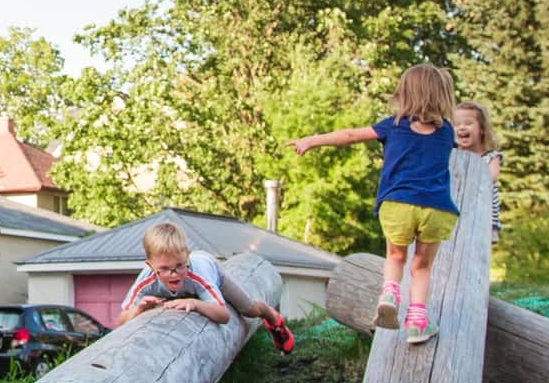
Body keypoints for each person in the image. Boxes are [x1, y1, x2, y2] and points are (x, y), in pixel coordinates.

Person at [291, 63, 459, 344]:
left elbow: (350, 136)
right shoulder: (447, 133)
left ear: (405, 93)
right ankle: (418, 322)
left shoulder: (393, 125)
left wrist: (312, 140)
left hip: (398, 204)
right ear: (442, 95)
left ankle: (390, 293)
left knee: (395, 257)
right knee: (422, 267)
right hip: (436, 207)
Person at [115, 221, 295, 354]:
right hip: (184, 287)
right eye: (164, 269)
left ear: (187, 256)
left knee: (249, 309)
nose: (174, 274)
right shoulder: (146, 279)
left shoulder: (198, 273)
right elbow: (121, 320)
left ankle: (272, 317)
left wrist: (196, 303)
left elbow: (223, 315)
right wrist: (138, 309)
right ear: (150, 265)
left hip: (212, 270)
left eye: (180, 265)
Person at [453, 100, 503, 242]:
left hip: (483, 217)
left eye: (468, 123)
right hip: (460, 215)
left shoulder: (491, 157)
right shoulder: (455, 157)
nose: (461, 127)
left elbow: (490, 176)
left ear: (481, 129)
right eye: (457, 124)